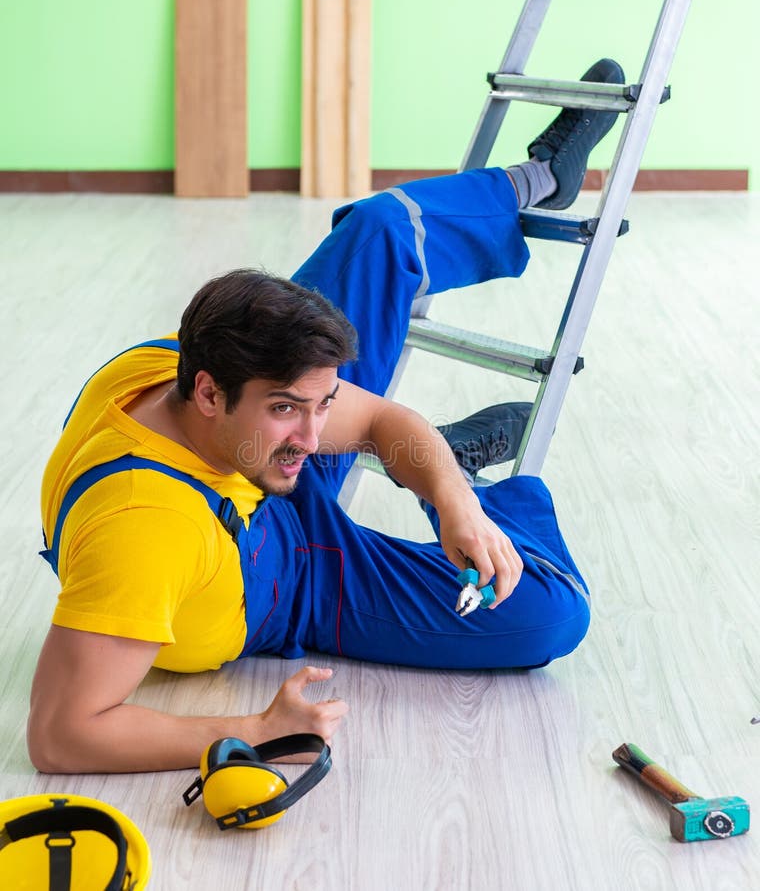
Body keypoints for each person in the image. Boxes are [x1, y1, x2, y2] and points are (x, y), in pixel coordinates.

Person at [28, 59, 625, 774]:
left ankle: (536, 183)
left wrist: (452, 505)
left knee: (378, 228)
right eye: (287, 409)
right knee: (550, 615)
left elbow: (374, 423)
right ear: (211, 391)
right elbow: (61, 735)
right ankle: (495, 501)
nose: (316, 441)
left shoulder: (176, 369)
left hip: (250, 481)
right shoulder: (146, 532)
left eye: (319, 405)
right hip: (285, 576)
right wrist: (254, 726)